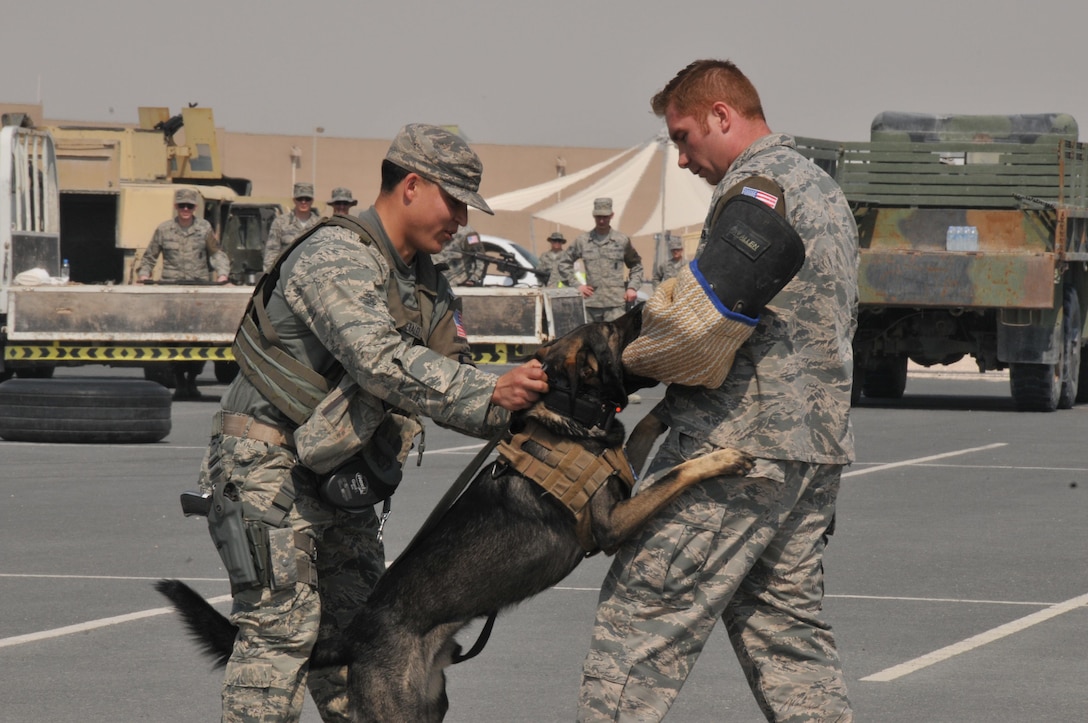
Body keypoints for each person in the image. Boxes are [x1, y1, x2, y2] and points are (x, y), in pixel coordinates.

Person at [201, 123, 548, 722]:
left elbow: (452, 372)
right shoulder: (335, 255)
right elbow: (379, 361)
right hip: (270, 472)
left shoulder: (425, 282)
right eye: (455, 200)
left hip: (342, 478)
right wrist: (492, 392)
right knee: (278, 645)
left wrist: (531, 399)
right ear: (412, 185)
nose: (461, 218)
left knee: (363, 650)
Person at [578, 59, 858, 722]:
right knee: (790, 646)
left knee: (634, 634)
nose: (681, 158)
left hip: (735, 450)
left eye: (682, 137)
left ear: (721, 116)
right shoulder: (823, 190)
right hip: (811, 453)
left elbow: (695, 332)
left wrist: (615, 362)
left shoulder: (757, 192)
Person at [137, 187, 230, 400]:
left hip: (198, 290)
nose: (185, 209)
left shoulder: (204, 228)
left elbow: (216, 254)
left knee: (199, 339)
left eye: (189, 206)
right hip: (172, 289)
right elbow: (150, 256)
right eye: (182, 206)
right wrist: (144, 275)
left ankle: (192, 379)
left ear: (195, 207)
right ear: (176, 207)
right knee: (173, 339)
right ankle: (179, 379)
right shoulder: (164, 229)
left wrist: (223, 275)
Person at [557, 197, 644, 322]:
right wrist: (577, 285)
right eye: (598, 217)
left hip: (616, 305)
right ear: (594, 216)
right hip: (591, 304)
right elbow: (564, 263)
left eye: (605, 217)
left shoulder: (621, 241)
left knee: (615, 340)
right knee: (590, 340)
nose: (602, 220)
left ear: (611, 215)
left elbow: (636, 265)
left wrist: (632, 287)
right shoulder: (583, 241)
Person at [263, 182, 322, 272]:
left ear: (312, 200)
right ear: (294, 200)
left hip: (313, 276)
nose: (303, 202)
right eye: (300, 199)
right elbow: (271, 252)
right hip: (286, 275)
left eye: (307, 199)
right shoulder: (280, 223)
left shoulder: (320, 225)